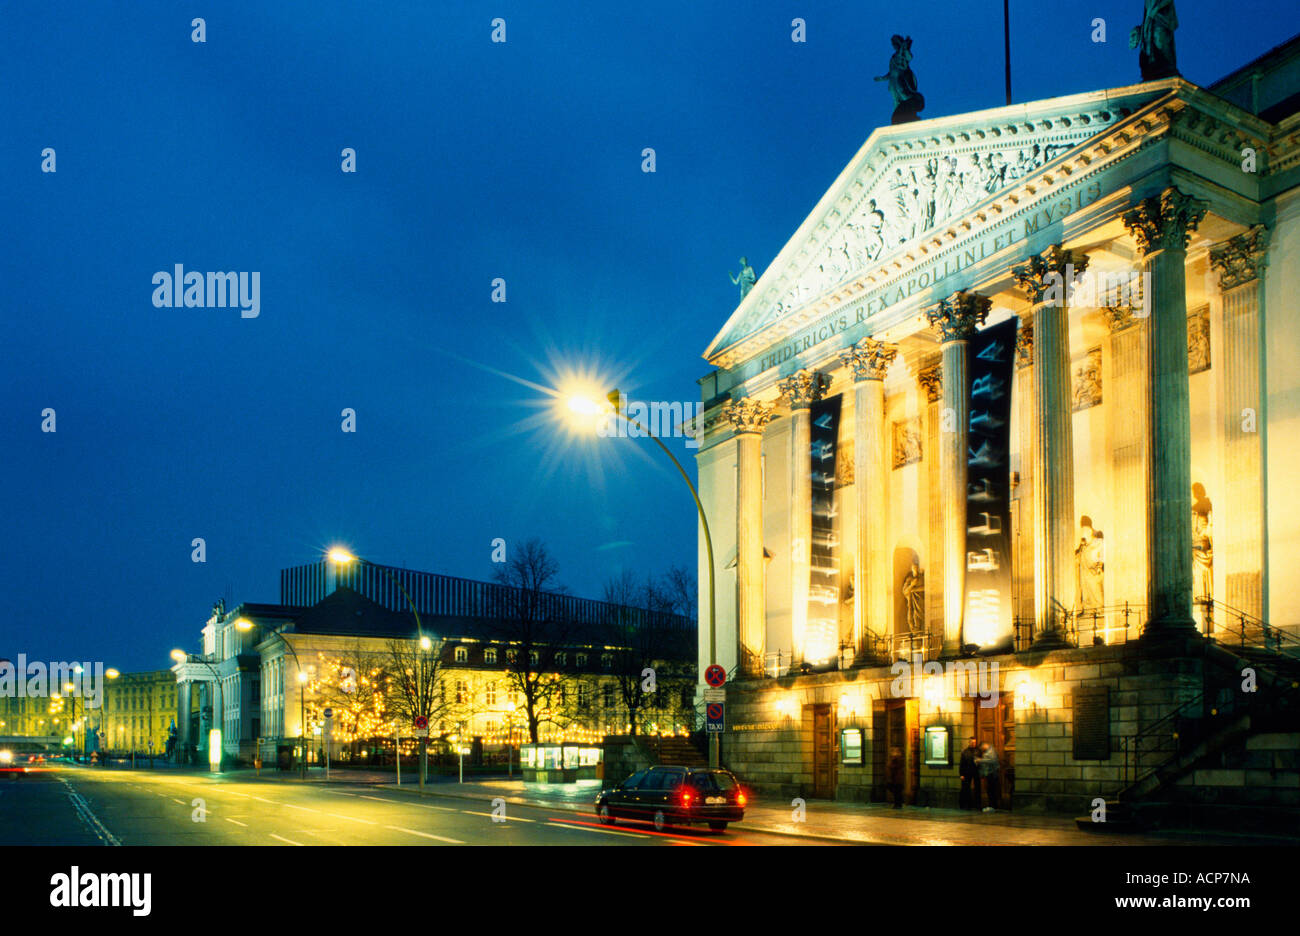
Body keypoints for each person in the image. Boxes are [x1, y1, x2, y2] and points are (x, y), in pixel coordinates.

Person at [959, 736, 981, 810]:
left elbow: (981, 762)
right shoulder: (965, 752)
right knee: (966, 789)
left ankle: (978, 805)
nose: (973, 743)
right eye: (972, 742)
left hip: (976, 772)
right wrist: (961, 774)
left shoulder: (978, 751)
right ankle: (968, 805)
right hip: (967, 772)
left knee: (977, 788)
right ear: (969, 742)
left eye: (974, 742)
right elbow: (962, 763)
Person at [977, 742, 1001, 812]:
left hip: (992, 774)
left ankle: (993, 806)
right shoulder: (989, 751)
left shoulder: (991, 751)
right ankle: (992, 806)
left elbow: (992, 761)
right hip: (989, 774)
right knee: (990, 791)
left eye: (981, 748)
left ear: (984, 746)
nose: (982, 750)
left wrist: (980, 760)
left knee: (992, 791)